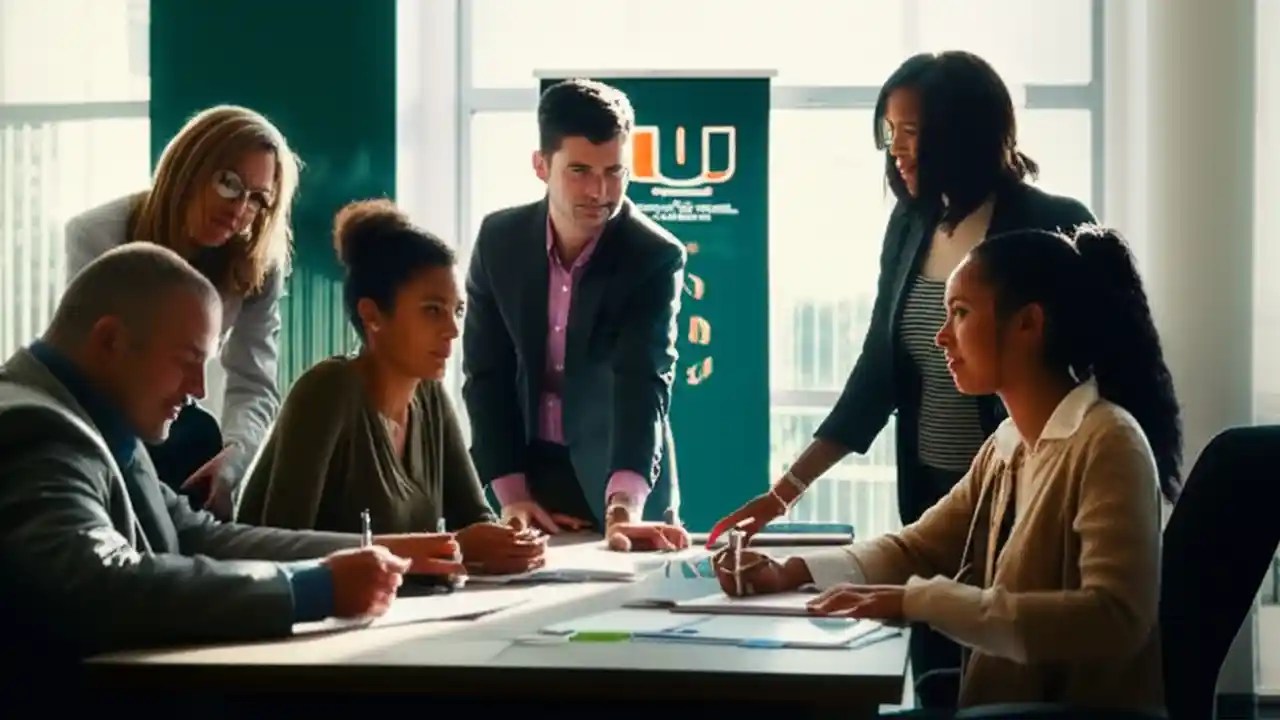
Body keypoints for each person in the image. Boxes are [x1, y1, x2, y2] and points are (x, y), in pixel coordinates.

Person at [706, 50, 1098, 702]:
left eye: (911, 132)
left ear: (964, 131)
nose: (897, 152)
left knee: (1015, 677)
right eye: (889, 134)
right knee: (940, 675)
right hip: (935, 497)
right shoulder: (910, 224)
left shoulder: (1049, 221)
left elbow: (1091, 370)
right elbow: (878, 376)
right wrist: (782, 496)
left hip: (1028, 496)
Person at [713, 226, 1182, 715]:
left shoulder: (1108, 442)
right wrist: (791, 572)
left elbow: (1113, 619)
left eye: (960, 313)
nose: (941, 337)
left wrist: (919, 601)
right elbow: (918, 547)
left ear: (1028, 324)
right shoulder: (1006, 446)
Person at [0, 244, 464, 667]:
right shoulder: (38, 431)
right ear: (110, 341)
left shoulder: (99, 421)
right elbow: (94, 584)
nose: (199, 390)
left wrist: (380, 551)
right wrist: (309, 590)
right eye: (187, 361)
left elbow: (197, 537)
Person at [236, 200, 548, 577]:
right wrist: (459, 547)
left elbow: (473, 518)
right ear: (372, 315)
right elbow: (283, 548)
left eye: (458, 311)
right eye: (433, 310)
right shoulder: (328, 392)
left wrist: (509, 541)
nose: (452, 329)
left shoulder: (430, 396)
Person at [462, 78, 688, 553]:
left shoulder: (652, 255)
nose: (600, 191)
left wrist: (624, 506)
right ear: (541, 165)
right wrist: (510, 493)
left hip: (619, 471)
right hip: (525, 470)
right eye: (580, 171)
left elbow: (643, 380)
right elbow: (487, 373)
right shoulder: (499, 240)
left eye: (615, 172)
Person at [65, 104, 299, 520]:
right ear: (190, 167)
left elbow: (254, 382)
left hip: (181, 431)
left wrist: (233, 461)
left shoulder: (258, 263)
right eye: (229, 183)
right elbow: (88, 368)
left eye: (258, 199)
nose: (239, 209)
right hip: (105, 424)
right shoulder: (99, 233)